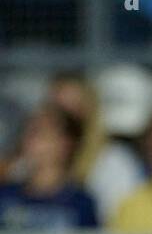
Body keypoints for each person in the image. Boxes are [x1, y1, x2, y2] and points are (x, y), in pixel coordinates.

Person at [47, 73, 143, 224]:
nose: (65, 120)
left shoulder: (114, 161)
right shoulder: (30, 162)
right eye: (57, 110)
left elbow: (117, 222)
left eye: (75, 109)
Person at [0, 106, 98, 232]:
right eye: (27, 133)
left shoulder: (80, 203)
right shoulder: (5, 196)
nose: (29, 141)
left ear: (65, 144)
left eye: (40, 134)